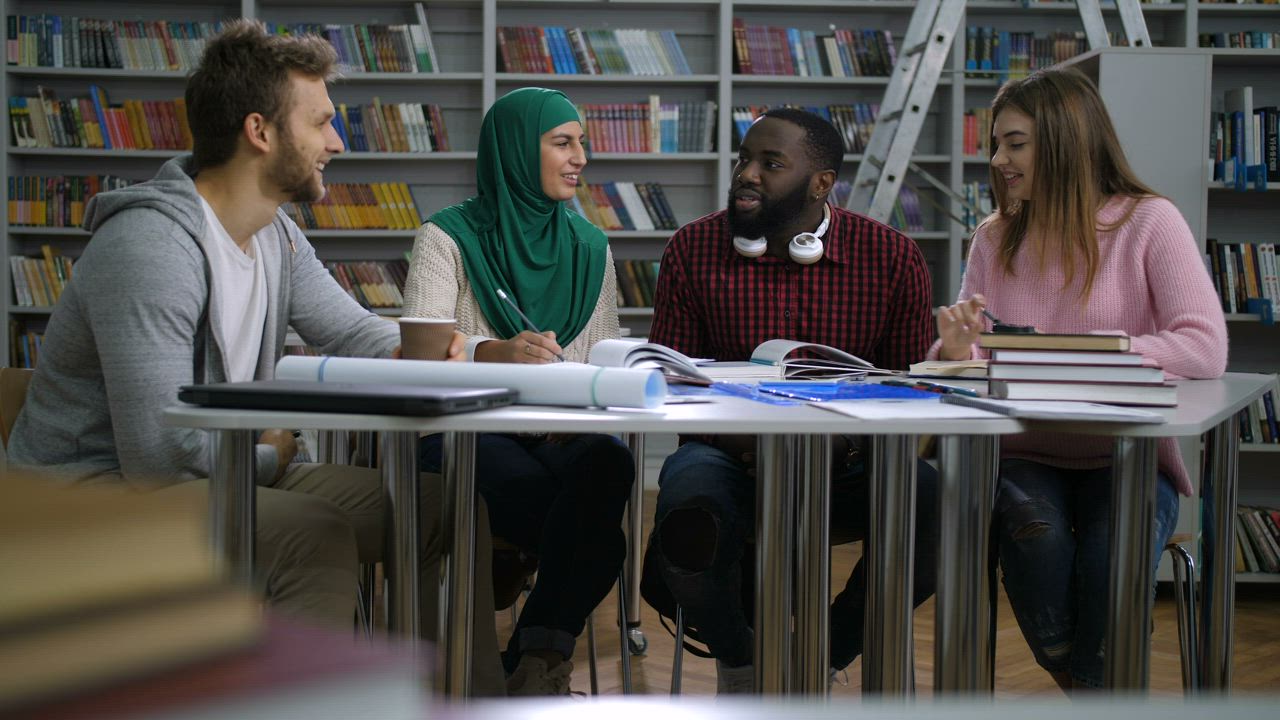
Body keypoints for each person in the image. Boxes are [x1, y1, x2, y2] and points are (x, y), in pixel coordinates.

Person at [5, 20, 507, 695]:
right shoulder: (151, 249)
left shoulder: (274, 236)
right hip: (97, 496)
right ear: (260, 132)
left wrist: (479, 352)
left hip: (228, 469)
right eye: (322, 122)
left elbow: (360, 334)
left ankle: (448, 702)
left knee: (443, 505)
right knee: (316, 534)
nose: (336, 142)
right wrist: (272, 451)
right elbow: (155, 461)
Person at [931, 68, 1228, 691]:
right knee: (1037, 545)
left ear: (1066, 140)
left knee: (1108, 563)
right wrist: (954, 346)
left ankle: (1097, 684)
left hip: (1128, 454)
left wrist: (1079, 354)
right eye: (997, 143)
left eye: (1015, 143)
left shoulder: (1149, 222)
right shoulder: (995, 236)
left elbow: (1203, 346)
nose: (998, 159)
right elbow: (971, 357)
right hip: (1023, 451)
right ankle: (1098, 683)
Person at [644, 107, 939, 693]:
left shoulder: (892, 258)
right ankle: (743, 662)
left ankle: (820, 658)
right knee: (685, 515)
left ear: (822, 183)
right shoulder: (692, 249)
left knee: (935, 506)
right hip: (727, 455)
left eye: (770, 164)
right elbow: (670, 383)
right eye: (744, 159)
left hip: (848, 461)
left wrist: (843, 442)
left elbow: (908, 391)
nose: (747, 174)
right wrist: (751, 441)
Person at [401, 87, 635, 696]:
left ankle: (526, 662)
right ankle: (539, 661)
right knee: (596, 536)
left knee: (610, 458)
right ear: (512, 151)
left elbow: (603, 354)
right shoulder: (445, 239)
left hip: (559, 430)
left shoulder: (592, 247)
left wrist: (590, 400)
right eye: (563, 142)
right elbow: (422, 362)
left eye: (581, 142)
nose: (580, 156)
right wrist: (487, 353)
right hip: (464, 431)